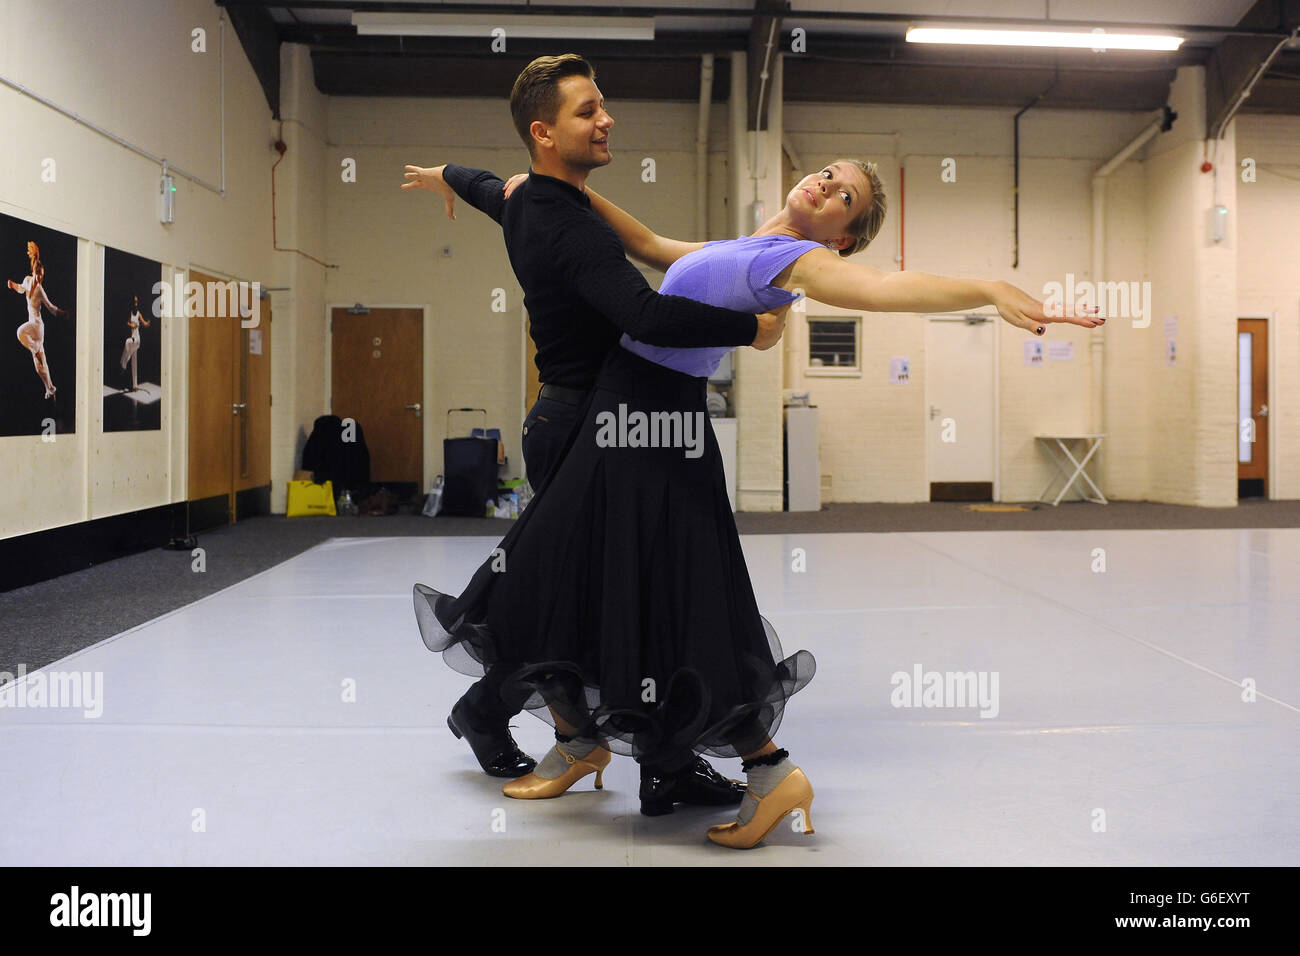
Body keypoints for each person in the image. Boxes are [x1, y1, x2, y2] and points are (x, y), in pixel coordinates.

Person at [418, 152, 1103, 848]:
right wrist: (526, 187)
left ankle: (759, 770)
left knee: (647, 599)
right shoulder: (745, 247)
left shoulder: (798, 261)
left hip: (648, 430)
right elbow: (649, 245)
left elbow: (887, 287)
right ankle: (618, 750)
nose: (827, 186)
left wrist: (986, 289)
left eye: (845, 198)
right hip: (628, 422)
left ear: (841, 234)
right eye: (830, 174)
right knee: (594, 587)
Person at [402, 54, 786, 817]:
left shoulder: (528, 195)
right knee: (557, 596)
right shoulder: (561, 222)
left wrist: (448, 173)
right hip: (580, 423)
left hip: (591, 417)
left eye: (603, 105)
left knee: (583, 595)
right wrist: (753, 327)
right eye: (588, 111)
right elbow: (642, 315)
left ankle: (625, 749)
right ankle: (501, 715)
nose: (607, 119)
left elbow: (488, 185)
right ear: (545, 134)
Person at [8, 241, 68, 400]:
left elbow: (51, 308)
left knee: (20, 332)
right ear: (33, 272)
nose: (40, 276)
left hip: (37, 327)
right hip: (32, 326)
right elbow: (22, 289)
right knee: (39, 366)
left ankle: (35, 349)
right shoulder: (27, 280)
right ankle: (51, 389)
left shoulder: (40, 290)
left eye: (42, 274)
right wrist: (14, 285)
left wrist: (63, 313)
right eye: (38, 273)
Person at [119, 295, 151, 391]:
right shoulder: (130, 314)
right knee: (134, 363)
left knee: (127, 341)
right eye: (134, 302)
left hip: (137, 340)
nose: (136, 304)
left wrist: (147, 323)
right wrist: (131, 324)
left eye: (137, 302)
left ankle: (123, 363)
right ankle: (134, 386)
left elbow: (144, 322)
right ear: (132, 303)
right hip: (133, 341)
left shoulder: (138, 314)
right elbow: (127, 322)